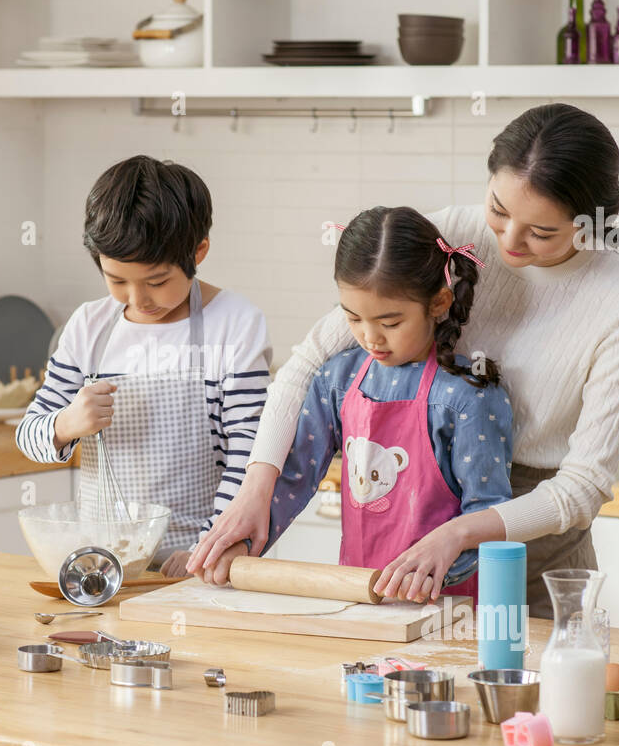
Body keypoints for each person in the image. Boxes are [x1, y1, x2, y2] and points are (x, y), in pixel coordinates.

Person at [190, 103, 619, 616]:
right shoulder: (452, 234)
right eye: (498, 210)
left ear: (592, 221)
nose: (508, 241)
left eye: (541, 233)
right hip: (408, 532)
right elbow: (306, 365)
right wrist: (256, 489)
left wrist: (456, 534)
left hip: (531, 548)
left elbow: (581, 488)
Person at [215, 206, 513, 602]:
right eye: (353, 319)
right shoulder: (335, 380)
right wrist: (243, 545)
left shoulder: (468, 395)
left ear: (439, 302)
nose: (371, 338)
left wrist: (436, 573)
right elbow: (295, 476)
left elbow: (489, 511)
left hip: (447, 606)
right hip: (358, 598)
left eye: (390, 323)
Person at [16, 155, 272, 576]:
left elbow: (250, 451)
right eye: (117, 281)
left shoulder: (235, 323)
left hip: (205, 561)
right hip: (104, 564)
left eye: (156, 282)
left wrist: (209, 546)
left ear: (198, 251)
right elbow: (29, 435)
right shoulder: (89, 327)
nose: (138, 300)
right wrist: (67, 423)